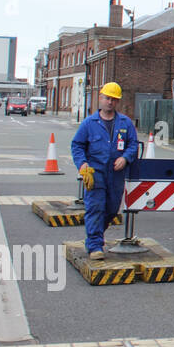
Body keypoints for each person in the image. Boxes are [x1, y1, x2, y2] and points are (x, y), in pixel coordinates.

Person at [71, 82, 139, 261]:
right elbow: (77, 145)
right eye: (107, 98)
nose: (110, 102)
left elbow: (133, 145)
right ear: (100, 98)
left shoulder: (125, 123)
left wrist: (125, 158)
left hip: (116, 175)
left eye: (114, 99)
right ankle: (95, 246)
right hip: (95, 173)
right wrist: (82, 164)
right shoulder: (89, 123)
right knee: (95, 208)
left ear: (117, 102)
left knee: (111, 209)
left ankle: (95, 235)